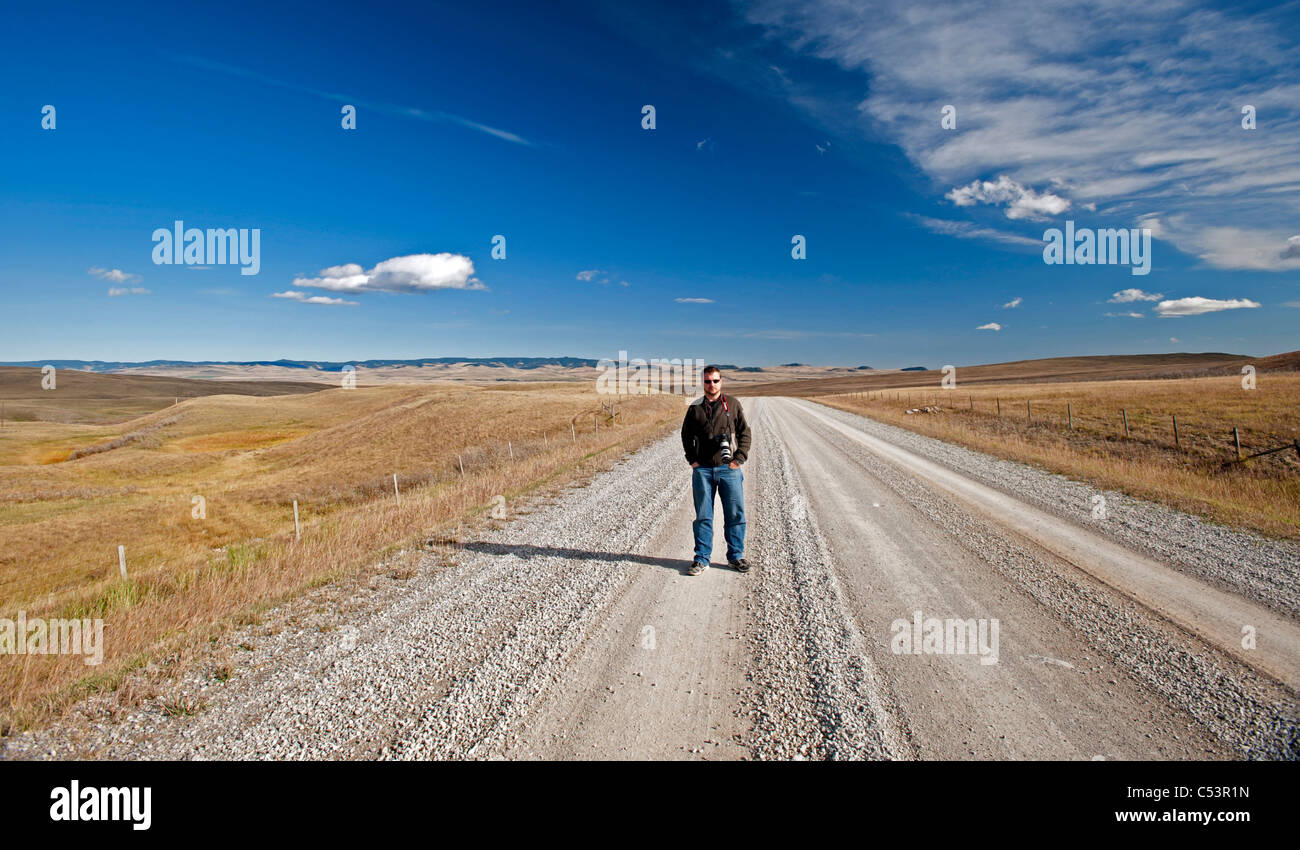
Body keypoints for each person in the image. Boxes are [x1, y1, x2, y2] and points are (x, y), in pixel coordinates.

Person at [680, 365, 751, 575]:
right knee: (703, 515)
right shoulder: (695, 407)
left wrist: (739, 459)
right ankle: (701, 559)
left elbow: (744, 433)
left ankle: (736, 556)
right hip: (703, 470)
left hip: (729, 470)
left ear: (721, 382)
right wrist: (692, 460)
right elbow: (686, 436)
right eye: (707, 381)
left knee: (735, 514)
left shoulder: (733, 404)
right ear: (702, 383)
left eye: (715, 381)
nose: (712, 385)